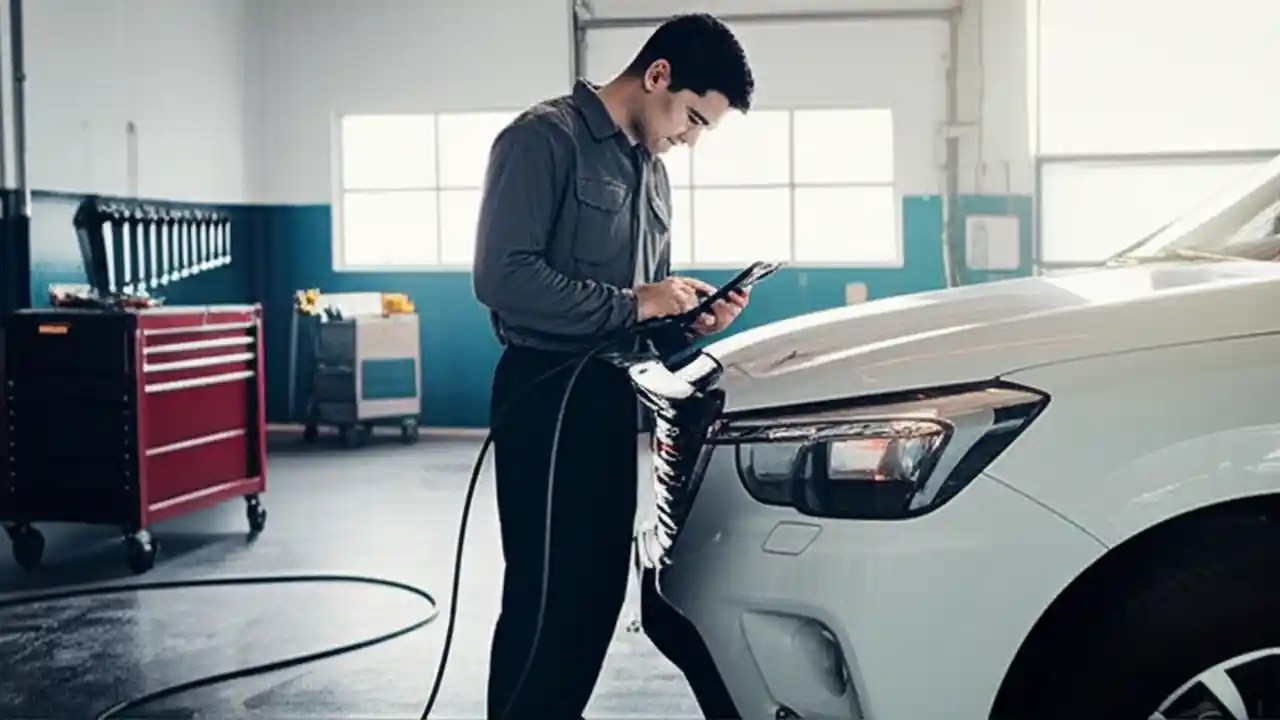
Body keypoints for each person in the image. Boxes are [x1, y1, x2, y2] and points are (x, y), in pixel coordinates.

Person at [471, 12, 755, 719]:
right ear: (657, 75)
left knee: (597, 589)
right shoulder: (542, 139)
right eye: (691, 117)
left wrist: (689, 316)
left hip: (607, 396)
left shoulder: (651, 172)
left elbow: (643, 310)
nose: (689, 138)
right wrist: (636, 302)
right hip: (544, 394)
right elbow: (503, 278)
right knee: (545, 591)